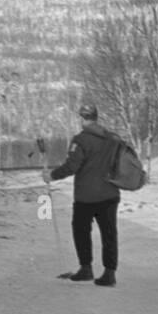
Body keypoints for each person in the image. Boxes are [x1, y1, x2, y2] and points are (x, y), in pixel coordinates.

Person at [44, 102, 120, 287]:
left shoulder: (81, 140)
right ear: (96, 117)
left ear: (82, 118)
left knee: (81, 231)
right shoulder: (112, 138)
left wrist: (52, 175)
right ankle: (109, 273)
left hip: (86, 196)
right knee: (109, 233)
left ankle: (86, 269)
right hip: (110, 193)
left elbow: (72, 166)